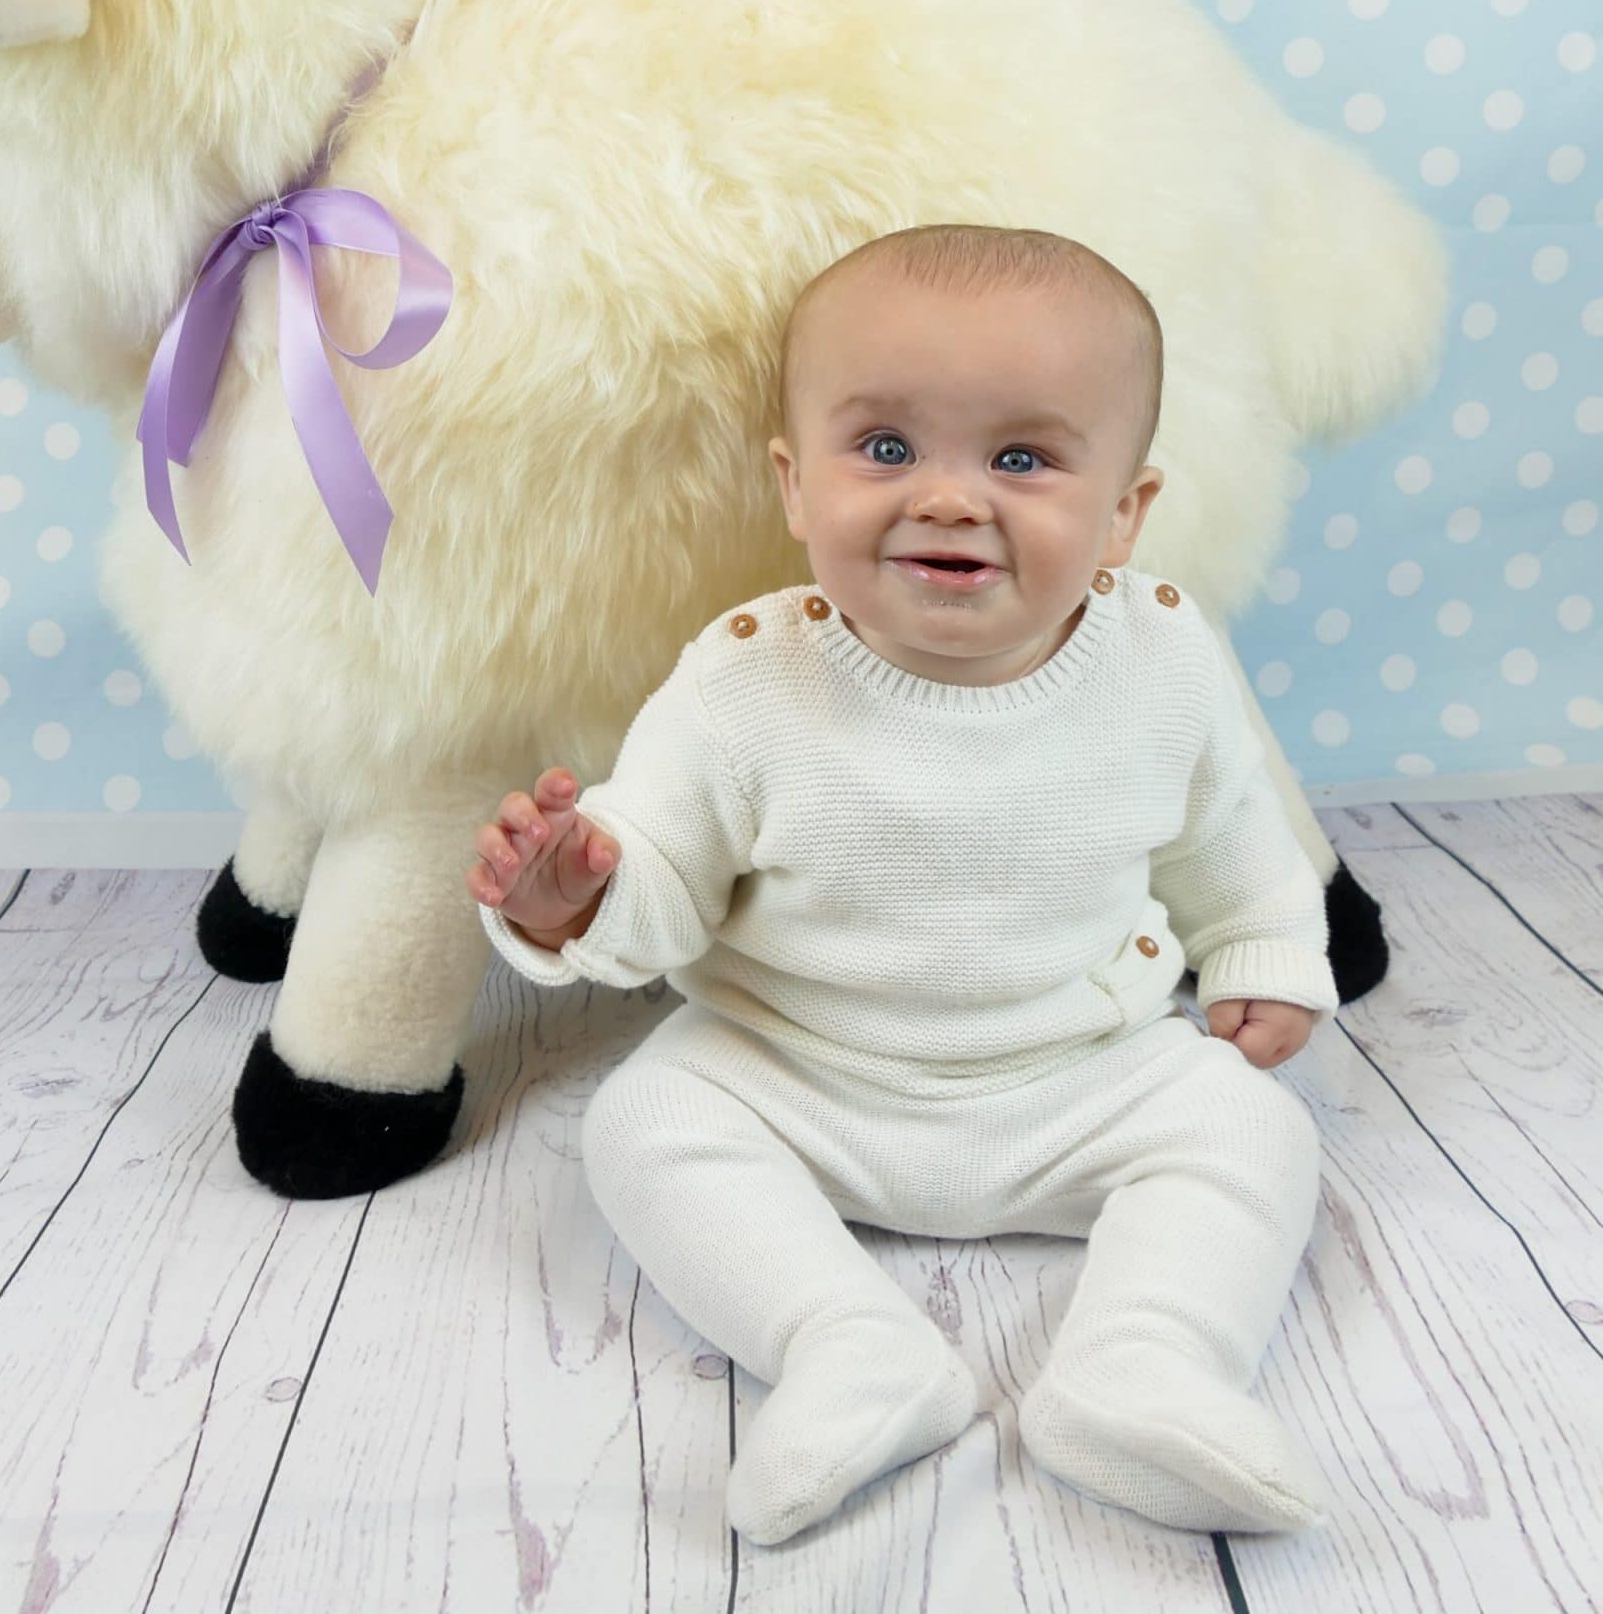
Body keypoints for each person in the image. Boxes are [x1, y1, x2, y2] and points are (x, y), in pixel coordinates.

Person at [465, 223, 1339, 1547]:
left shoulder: (1161, 656)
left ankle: (1144, 1365)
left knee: (1254, 1131)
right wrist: (571, 894)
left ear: (1124, 514)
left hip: (1079, 1070)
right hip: (798, 1070)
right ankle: (845, 1349)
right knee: (642, 1120)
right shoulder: (746, 681)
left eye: (1022, 458)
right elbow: (660, 875)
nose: (945, 497)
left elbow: (1231, 829)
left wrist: (1267, 949)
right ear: (795, 486)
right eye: (884, 450)